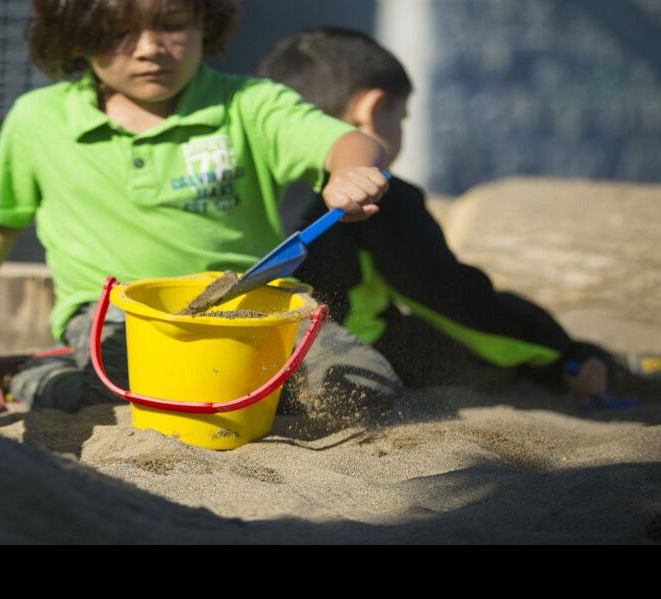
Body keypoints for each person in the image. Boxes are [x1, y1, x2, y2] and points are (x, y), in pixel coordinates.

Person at [0, 0, 401, 423]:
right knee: (144, 400)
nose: (150, 47)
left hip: (251, 305)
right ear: (73, 32)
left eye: (172, 23)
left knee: (362, 390)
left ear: (204, 20)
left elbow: (349, 141)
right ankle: (31, 376)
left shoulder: (249, 104)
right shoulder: (39, 117)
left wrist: (349, 172)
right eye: (119, 32)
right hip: (116, 313)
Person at [258, 27, 654, 404]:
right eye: (403, 117)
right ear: (373, 111)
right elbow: (447, 295)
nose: (403, 127)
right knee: (488, 332)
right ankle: (590, 365)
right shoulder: (382, 199)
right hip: (365, 350)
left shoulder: (259, 179)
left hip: (267, 346)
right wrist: (559, 354)